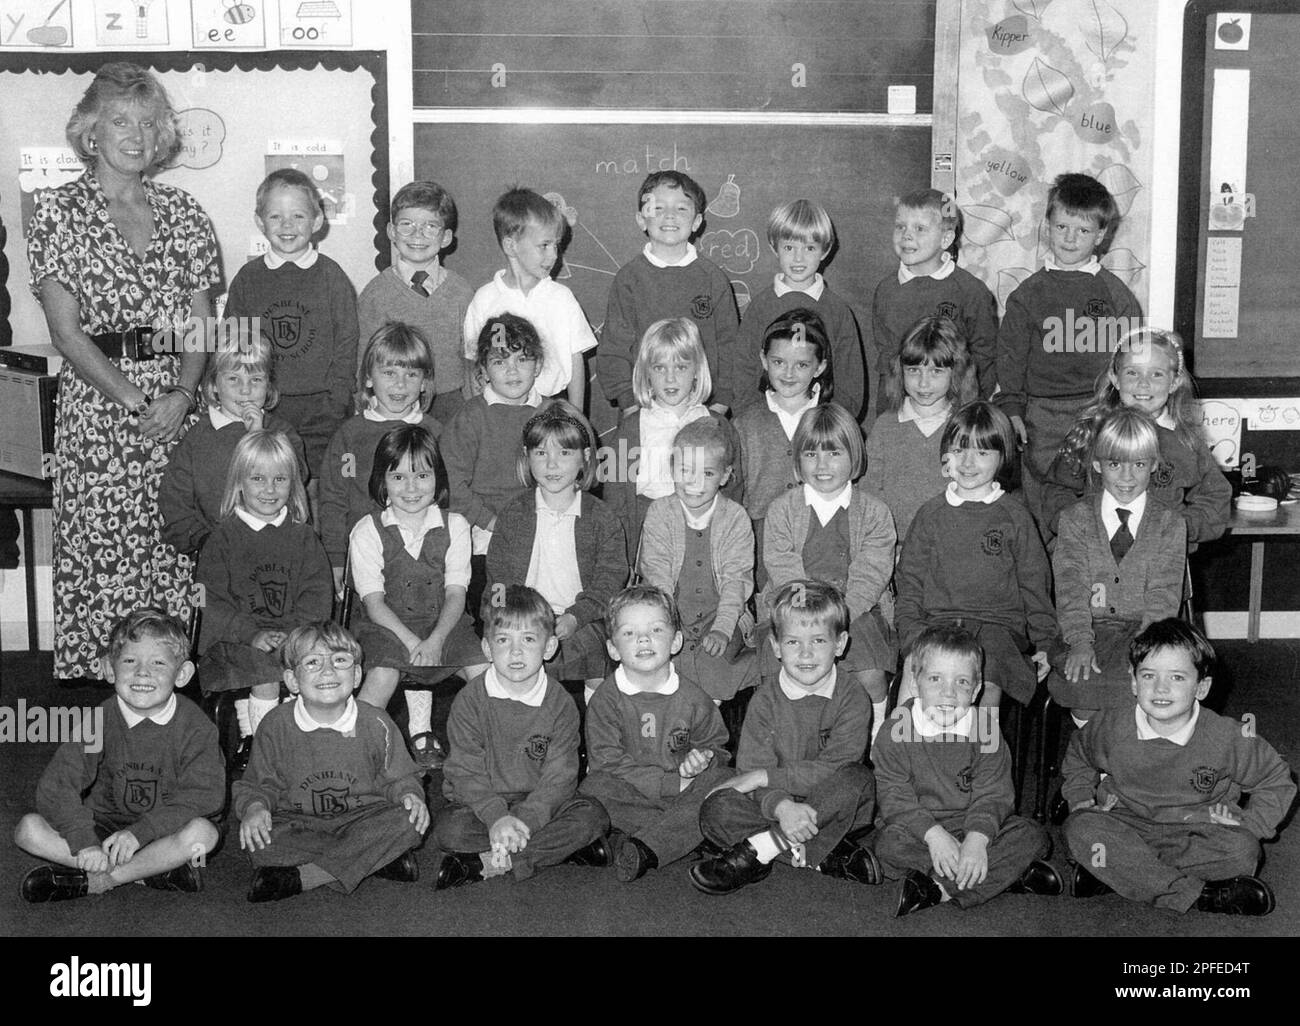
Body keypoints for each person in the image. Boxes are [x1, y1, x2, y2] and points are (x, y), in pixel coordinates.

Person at [27, 62, 219, 679]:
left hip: (177, 409)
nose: (135, 134)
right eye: (119, 120)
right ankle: (112, 708)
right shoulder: (57, 211)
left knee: (172, 548)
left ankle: (175, 691)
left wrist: (183, 395)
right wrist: (139, 402)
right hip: (102, 410)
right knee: (107, 560)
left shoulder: (185, 212)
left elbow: (198, 325)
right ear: (90, 132)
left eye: (147, 121)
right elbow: (66, 333)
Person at [1062, 619, 1294, 916]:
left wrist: (1253, 824)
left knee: (1243, 852)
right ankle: (1201, 895)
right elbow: (1078, 754)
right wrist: (1080, 797)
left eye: (1177, 678)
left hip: (1196, 829)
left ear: (1201, 687)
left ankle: (1123, 874)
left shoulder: (1227, 736)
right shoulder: (1110, 726)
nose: (1161, 688)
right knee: (1079, 829)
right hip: (1127, 823)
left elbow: (1275, 777)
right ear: (1133, 681)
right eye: (1148, 676)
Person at [15, 609, 223, 902]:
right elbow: (56, 786)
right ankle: (150, 870)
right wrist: (84, 842)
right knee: (28, 830)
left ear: (183, 674)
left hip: (162, 831)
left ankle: (103, 879)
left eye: (159, 663)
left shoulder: (197, 727)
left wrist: (141, 832)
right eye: (129, 661)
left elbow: (206, 796)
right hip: (101, 831)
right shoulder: (99, 720)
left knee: (203, 835)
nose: (142, 672)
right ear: (109, 669)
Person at [690, 581, 878, 895]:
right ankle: (820, 856)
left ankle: (762, 849)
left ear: (840, 643)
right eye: (793, 642)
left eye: (818, 640)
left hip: (832, 804)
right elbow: (750, 769)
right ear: (776, 646)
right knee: (716, 808)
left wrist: (765, 777)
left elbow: (835, 767)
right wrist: (781, 807)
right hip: (777, 806)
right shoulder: (764, 701)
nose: (806, 653)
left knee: (857, 780)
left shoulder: (852, 696)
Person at [871, 625, 1061, 916]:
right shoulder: (896, 728)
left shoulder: (985, 729)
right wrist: (933, 835)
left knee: (1033, 836)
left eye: (961, 682)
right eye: (935, 679)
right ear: (915, 681)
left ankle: (939, 888)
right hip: (917, 829)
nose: (948, 693)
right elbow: (893, 795)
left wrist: (976, 839)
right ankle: (997, 875)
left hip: (974, 823)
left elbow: (995, 795)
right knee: (887, 845)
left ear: (976, 688)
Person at [233, 622, 429, 902]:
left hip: (362, 818)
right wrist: (254, 808)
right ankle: (378, 860)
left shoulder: (376, 722)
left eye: (340, 660)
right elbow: (257, 784)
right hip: (300, 823)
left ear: (358, 674)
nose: (328, 671)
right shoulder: (275, 725)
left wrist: (410, 795)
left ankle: (304, 877)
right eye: (312, 662)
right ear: (291, 680)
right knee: (260, 839)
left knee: (409, 822)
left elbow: (399, 778)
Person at [432, 585, 611, 889]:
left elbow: (561, 777)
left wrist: (526, 818)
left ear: (550, 647)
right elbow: (464, 771)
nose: (515, 652)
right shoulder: (470, 700)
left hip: (540, 801)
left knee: (593, 817)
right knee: (449, 830)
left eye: (529, 639)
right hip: (482, 802)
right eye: (503, 640)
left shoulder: (560, 703)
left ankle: (491, 862)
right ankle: (557, 849)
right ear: (487, 649)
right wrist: (495, 816)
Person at [994, 172, 1143, 524]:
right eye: (1062, 227)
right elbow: (1011, 358)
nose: (1071, 238)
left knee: (1096, 505)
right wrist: (1013, 409)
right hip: (1041, 414)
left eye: (1083, 230)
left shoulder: (1116, 295)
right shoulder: (1028, 294)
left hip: (1099, 411)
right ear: (1047, 226)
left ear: (1101, 235)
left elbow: (1132, 358)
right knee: (1042, 506)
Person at [894, 401, 1054, 714]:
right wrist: (912, 634)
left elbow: (1035, 585)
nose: (968, 462)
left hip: (998, 628)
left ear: (1002, 457)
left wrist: (1046, 642)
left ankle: (981, 757)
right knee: (919, 666)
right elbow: (909, 582)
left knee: (988, 674)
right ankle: (898, 755)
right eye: (959, 450)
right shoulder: (930, 514)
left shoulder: (1015, 517)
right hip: (936, 623)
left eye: (982, 453)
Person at [347, 424, 487, 768]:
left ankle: (487, 755)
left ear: (438, 480)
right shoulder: (367, 530)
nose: (411, 488)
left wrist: (437, 639)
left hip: (445, 622)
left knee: (484, 671)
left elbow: (456, 593)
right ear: (382, 482)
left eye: (422, 475)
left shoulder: (455, 525)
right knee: (383, 674)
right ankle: (352, 751)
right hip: (388, 627)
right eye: (398, 478)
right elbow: (374, 604)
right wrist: (413, 644)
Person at [194, 431, 332, 766]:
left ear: (293, 484)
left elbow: (317, 596)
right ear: (239, 482)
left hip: (292, 637)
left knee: (320, 662)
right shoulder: (222, 538)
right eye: (258, 478)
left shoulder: (303, 538)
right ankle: (261, 746)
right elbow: (207, 601)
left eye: (280, 479)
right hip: (234, 642)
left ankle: (298, 740)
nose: (269, 490)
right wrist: (250, 634)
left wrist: (295, 633)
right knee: (266, 670)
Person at [579, 585, 731, 882]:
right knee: (592, 788)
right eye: (629, 633)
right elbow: (606, 763)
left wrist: (702, 760)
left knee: (726, 780)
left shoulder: (694, 697)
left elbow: (718, 749)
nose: (644, 639)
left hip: (688, 792)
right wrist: (669, 783)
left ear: (675, 641)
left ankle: (648, 845)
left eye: (656, 630)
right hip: (635, 794)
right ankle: (686, 837)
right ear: (612, 648)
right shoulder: (605, 701)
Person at [761, 404, 896, 739]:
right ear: (797, 460)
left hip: (855, 609)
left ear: (855, 457)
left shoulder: (875, 512)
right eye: (811, 454)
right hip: (794, 605)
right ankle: (790, 738)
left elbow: (872, 570)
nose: (822, 465)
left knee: (869, 670)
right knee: (778, 665)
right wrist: (808, 611)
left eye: (834, 453)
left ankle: (875, 730)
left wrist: (842, 612)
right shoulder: (782, 509)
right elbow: (781, 563)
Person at [1049, 409, 1186, 724]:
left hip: (1145, 630)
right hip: (1085, 627)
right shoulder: (1075, 519)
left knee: (1146, 685)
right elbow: (1071, 587)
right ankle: (1096, 764)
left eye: (1138, 464)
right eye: (1115, 464)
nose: (1127, 478)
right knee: (1081, 684)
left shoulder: (1170, 524)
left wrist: (1146, 647)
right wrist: (1081, 642)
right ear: (1097, 464)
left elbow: (1163, 594)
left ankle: (1128, 763)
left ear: (1153, 465)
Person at [485, 401, 628, 700]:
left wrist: (577, 616)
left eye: (564, 453)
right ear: (527, 457)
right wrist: (503, 613)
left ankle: (597, 727)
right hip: (525, 619)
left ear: (585, 458)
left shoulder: (601, 517)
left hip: (582, 618)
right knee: (518, 650)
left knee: (595, 650)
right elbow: (497, 579)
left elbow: (611, 578)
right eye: (541, 453)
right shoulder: (513, 515)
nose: (552, 465)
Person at [223, 167, 358, 478]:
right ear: (259, 222)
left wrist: (338, 399)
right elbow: (232, 343)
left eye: (298, 216)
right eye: (275, 217)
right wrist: (245, 397)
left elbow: (347, 339)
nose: (287, 225)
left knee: (324, 484)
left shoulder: (330, 276)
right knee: (271, 481)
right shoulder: (248, 278)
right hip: (266, 405)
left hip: (323, 407)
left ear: (317, 221)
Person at [1042, 327, 1230, 545]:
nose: (1144, 383)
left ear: (1175, 382)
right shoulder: (1090, 432)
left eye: (1156, 374)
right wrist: (1080, 524)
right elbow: (1056, 490)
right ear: (1115, 378)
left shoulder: (1185, 442)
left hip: (1163, 562)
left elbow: (1216, 497)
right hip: (1094, 558)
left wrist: (1179, 527)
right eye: (1133, 372)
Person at [595, 171, 741, 413]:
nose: (670, 216)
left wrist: (721, 403)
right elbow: (614, 347)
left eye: (681, 209)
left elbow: (730, 345)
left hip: (704, 409)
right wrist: (630, 405)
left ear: (696, 222)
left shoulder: (713, 278)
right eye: (658, 208)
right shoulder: (629, 279)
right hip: (644, 409)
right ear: (641, 219)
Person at [636, 417, 757, 704]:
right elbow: (658, 578)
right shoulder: (660, 513)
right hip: (669, 615)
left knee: (711, 662)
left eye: (708, 473)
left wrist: (722, 629)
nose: (695, 484)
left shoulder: (736, 518)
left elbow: (735, 583)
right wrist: (666, 628)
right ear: (672, 468)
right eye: (686, 471)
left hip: (723, 616)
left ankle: (707, 732)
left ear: (726, 475)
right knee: (661, 664)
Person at [159, 326, 307, 557]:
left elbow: (297, 479)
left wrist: (258, 436)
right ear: (214, 385)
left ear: (268, 386)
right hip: (217, 551)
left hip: (278, 548)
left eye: (256, 379)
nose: (245, 389)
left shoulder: (281, 432)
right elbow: (174, 499)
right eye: (233, 379)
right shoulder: (198, 438)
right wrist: (202, 540)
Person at [319, 322, 444, 591]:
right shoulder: (350, 437)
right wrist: (335, 558)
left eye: (411, 374)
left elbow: (447, 499)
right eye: (389, 372)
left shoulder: (435, 433)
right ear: (367, 378)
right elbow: (335, 499)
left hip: (423, 563)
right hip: (366, 562)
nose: (400, 384)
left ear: (424, 382)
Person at [601, 317, 736, 566]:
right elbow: (615, 496)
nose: (670, 379)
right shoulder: (631, 428)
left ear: (697, 371)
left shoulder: (717, 424)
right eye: (659, 368)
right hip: (648, 533)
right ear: (646, 373)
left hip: (704, 533)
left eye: (681, 367)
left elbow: (733, 489)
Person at [442, 314, 545, 621]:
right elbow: (450, 485)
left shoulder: (552, 413)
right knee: (497, 614)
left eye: (523, 359)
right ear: (483, 371)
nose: (512, 370)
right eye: (500, 362)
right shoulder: (470, 418)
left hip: (542, 530)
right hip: (485, 536)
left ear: (538, 365)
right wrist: (492, 522)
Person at [461, 188, 596, 409]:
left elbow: (575, 361)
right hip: (500, 408)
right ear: (511, 245)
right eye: (544, 245)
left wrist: (578, 415)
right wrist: (478, 414)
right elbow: (473, 363)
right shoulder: (486, 300)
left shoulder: (561, 299)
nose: (553, 255)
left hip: (552, 408)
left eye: (556, 245)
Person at [736, 199, 865, 419]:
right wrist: (759, 423)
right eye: (789, 247)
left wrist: (828, 425)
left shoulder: (837, 311)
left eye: (810, 248)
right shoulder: (760, 307)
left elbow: (850, 383)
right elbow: (743, 374)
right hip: (767, 427)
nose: (798, 258)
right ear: (773, 247)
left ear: (825, 251)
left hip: (821, 431)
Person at [357, 180, 472, 424]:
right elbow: (364, 361)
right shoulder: (375, 294)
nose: (418, 234)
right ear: (391, 232)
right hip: (395, 402)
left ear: (446, 237)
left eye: (431, 226)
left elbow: (470, 356)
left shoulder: (462, 292)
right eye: (406, 224)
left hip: (450, 404)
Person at [871, 188, 997, 409]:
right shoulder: (886, 290)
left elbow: (984, 356)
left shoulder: (971, 291)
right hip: (901, 409)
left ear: (946, 238)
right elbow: (887, 361)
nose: (907, 235)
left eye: (920, 229)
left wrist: (972, 407)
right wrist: (888, 414)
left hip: (955, 409)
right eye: (901, 227)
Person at [863, 315, 977, 553]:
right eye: (914, 370)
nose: (923, 384)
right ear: (900, 370)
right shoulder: (885, 426)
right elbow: (868, 493)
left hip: (953, 546)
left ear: (955, 372)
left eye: (936, 371)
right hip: (894, 547)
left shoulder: (968, 427)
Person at [734, 308, 835, 552]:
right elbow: (734, 492)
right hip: (759, 535)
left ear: (819, 367)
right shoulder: (745, 423)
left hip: (821, 534)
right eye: (779, 362)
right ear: (763, 360)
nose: (788, 373)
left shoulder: (835, 421)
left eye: (801, 365)